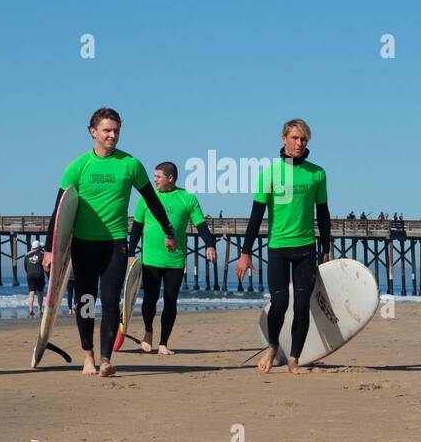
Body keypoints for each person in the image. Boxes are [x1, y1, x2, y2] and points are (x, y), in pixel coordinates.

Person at [43, 107, 175, 378]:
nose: (112, 135)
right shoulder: (78, 166)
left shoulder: (130, 165)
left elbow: (152, 200)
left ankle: (105, 359)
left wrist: (168, 229)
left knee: (112, 301)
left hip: (115, 243)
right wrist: (49, 249)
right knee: (87, 300)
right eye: (106, 130)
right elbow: (59, 210)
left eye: (116, 130)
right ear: (93, 132)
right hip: (83, 244)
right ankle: (88, 356)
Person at [235, 119, 331, 375]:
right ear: (284, 138)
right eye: (295, 138)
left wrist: (326, 247)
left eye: (304, 140)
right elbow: (255, 216)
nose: (299, 144)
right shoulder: (270, 173)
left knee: (301, 305)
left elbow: (323, 213)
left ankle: (294, 360)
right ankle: (272, 345)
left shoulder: (317, 173)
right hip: (278, 247)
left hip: (306, 248)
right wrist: (245, 253)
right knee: (279, 304)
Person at [128, 161, 217, 355]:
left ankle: (163, 343)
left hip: (175, 260)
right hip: (151, 259)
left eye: (158, 177)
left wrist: (210, 244)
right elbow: (136, 228)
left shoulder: (187, 198)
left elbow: (201, 225)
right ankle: (148, 331)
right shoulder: (146, 198)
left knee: (170, 301)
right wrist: (130, 253)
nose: (155, 180)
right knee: (149, 300)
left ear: (170, 178)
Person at [23, 240, 45, 316]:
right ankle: (39, 310)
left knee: (31, 292)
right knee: (40, 292)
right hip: (39, 275)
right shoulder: (42, 254)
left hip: (30, 275)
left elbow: (25, 267)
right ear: (39, 247)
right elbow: (45, 266)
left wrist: (29, 273)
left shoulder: (27, 255)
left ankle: (30, 309)